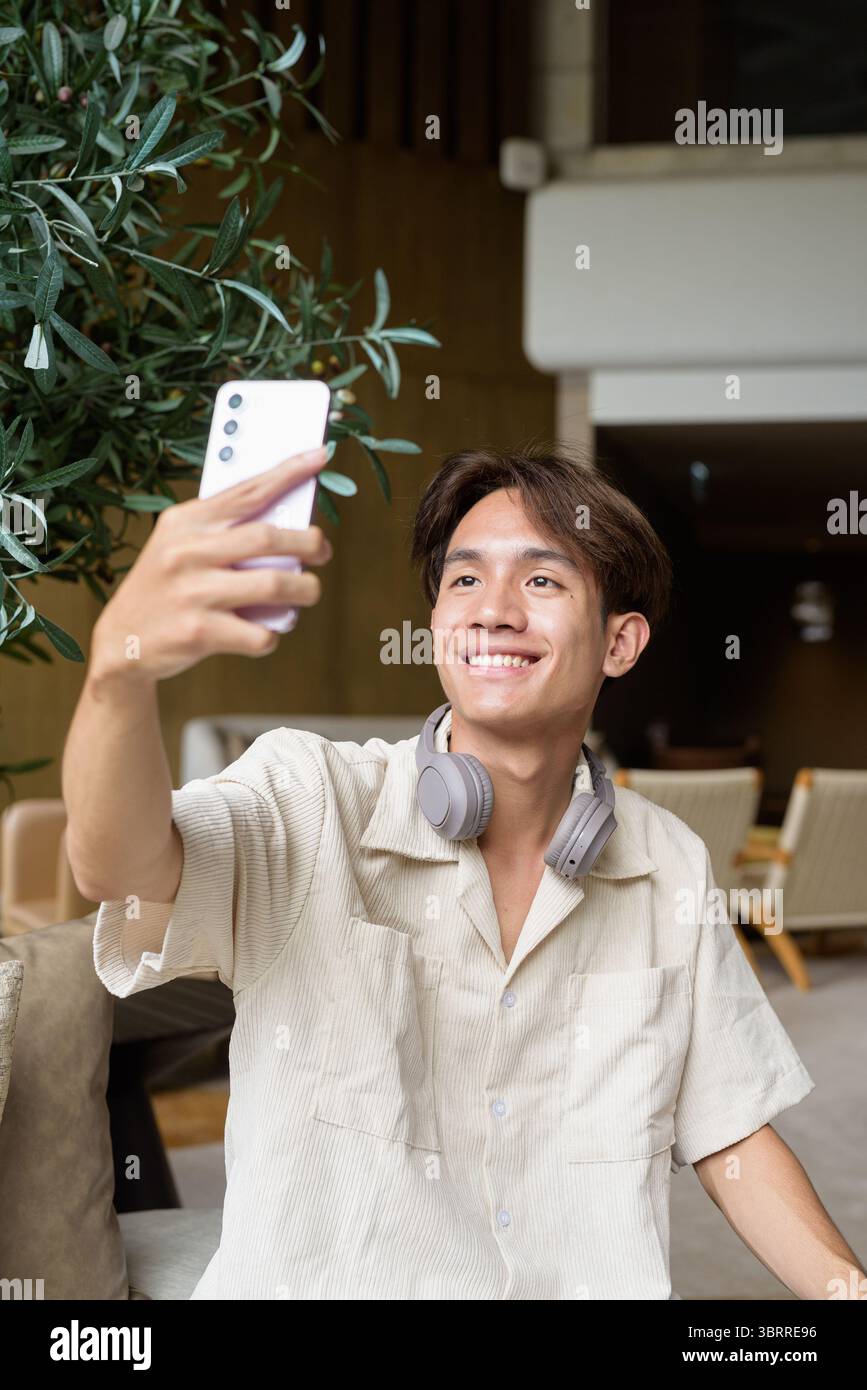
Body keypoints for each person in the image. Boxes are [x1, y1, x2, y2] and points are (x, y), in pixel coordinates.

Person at [63, 442, 864, 1300]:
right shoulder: (312, 795)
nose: (493, 611)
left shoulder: (666, 859)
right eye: (465, 580)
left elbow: (727, 1128)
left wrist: (844, 1288)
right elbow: (122, 865)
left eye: (543, 581)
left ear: (619, 642)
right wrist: (119, 675)